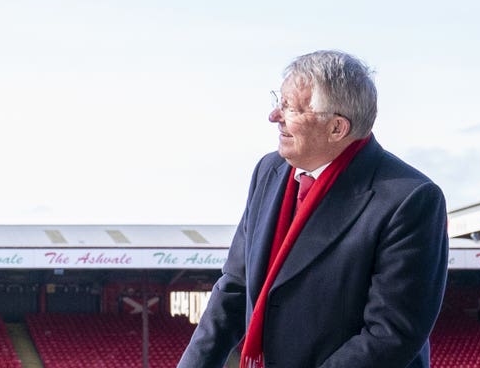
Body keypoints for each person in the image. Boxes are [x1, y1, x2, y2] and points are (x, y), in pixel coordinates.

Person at [178, 50, 449, 368]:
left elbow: (390, 335)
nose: (274, 116)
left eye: (292, 108)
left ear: (337, 128)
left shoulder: (411, 200)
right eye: (279, 101)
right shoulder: (269, 170)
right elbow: (235, 287)